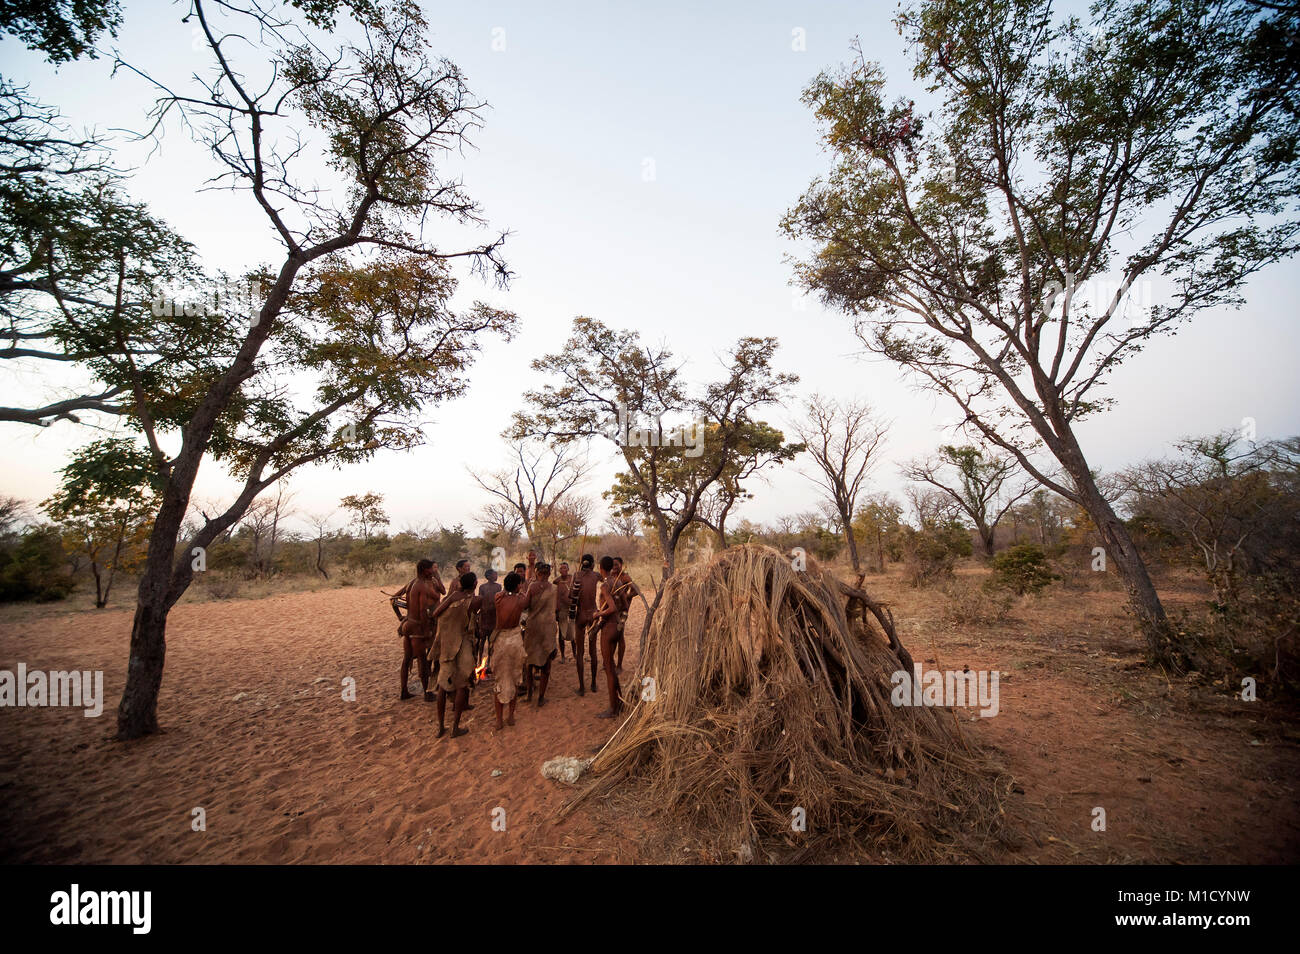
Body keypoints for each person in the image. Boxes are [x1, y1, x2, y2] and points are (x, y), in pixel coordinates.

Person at [430, 571, 481, 738]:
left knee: (443, 687)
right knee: (461, 685)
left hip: (447, 646)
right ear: (474, 585)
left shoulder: (452, 597)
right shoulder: (474, 601)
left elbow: (436, 613)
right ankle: (455, 728)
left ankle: (440, 727)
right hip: (463, 645)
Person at [488, 572, 532, 730]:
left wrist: (510, 589)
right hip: (514, 639)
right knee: (514, 678)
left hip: (500, 640)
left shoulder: (498, 598)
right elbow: (527, 599)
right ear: (518, 585)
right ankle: (511, 716)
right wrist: (521, 589)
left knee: (499, 680)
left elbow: (503, 593)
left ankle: (499, 720)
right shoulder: (521, 600)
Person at [398, 559, 439, 701]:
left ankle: (404, 691)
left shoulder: (411, 583)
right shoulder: (421, 586)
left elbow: (395, 599)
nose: (433, 571)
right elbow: (422, 609)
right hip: (417, 626)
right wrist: (425, 628)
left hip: (407, 624)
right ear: (425, 570)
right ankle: (427, 693)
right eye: (431, 569)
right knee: (422, 659)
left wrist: (400, 617)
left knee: (407, 658)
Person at [522, 562, 558, 706]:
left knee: (529, 663)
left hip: (533, 627)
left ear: (536, 573)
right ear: (549, 574)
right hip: (548, 628)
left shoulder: (532, 587)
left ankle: (530, 695)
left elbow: (525, 605)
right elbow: (558, 607)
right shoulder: (554, 588)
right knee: (546, 664)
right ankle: (541, 698)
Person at [594, 556, 623, 718]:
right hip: (617, 627)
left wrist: (597, 614)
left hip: (609, 628)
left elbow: (611, 608)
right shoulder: (618, 582)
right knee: (611, 666)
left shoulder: (605, 586)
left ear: (600, 568)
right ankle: (620, 701)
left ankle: (613, 709)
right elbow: (623, 604)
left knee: (609, 669)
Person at [571, 554, 600, 694]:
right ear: (592, 564)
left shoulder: (576, 575)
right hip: (593, 614)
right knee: (593, 651)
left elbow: (572, 595)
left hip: (581, 614)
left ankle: (582, 687)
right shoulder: (596, 575)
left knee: (580, 653)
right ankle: (593, 683)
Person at [611, 556, 641, 672]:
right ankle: (610, 662)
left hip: (622, 611)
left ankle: (619, 665)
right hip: (612, 610)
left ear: (621, 565)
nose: (614, 567)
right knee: (611, 635)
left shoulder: (625, 577)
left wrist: (626, 597)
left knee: (619, 636)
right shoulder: (611, 577)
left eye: (616, 565)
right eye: (613, 565)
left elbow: (635, 590)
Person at [553, 561, 573, 662]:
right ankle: (563, 656)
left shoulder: (572, 579)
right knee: (562, 633)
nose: (563, 570)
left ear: (568, 569)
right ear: (559, 570)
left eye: (565, 568)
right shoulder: (556, 581)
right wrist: (556, 610)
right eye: (561, 568)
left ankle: (575, 655)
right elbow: (555, 596)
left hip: (572, 609)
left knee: (573, 633)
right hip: (562, 610)